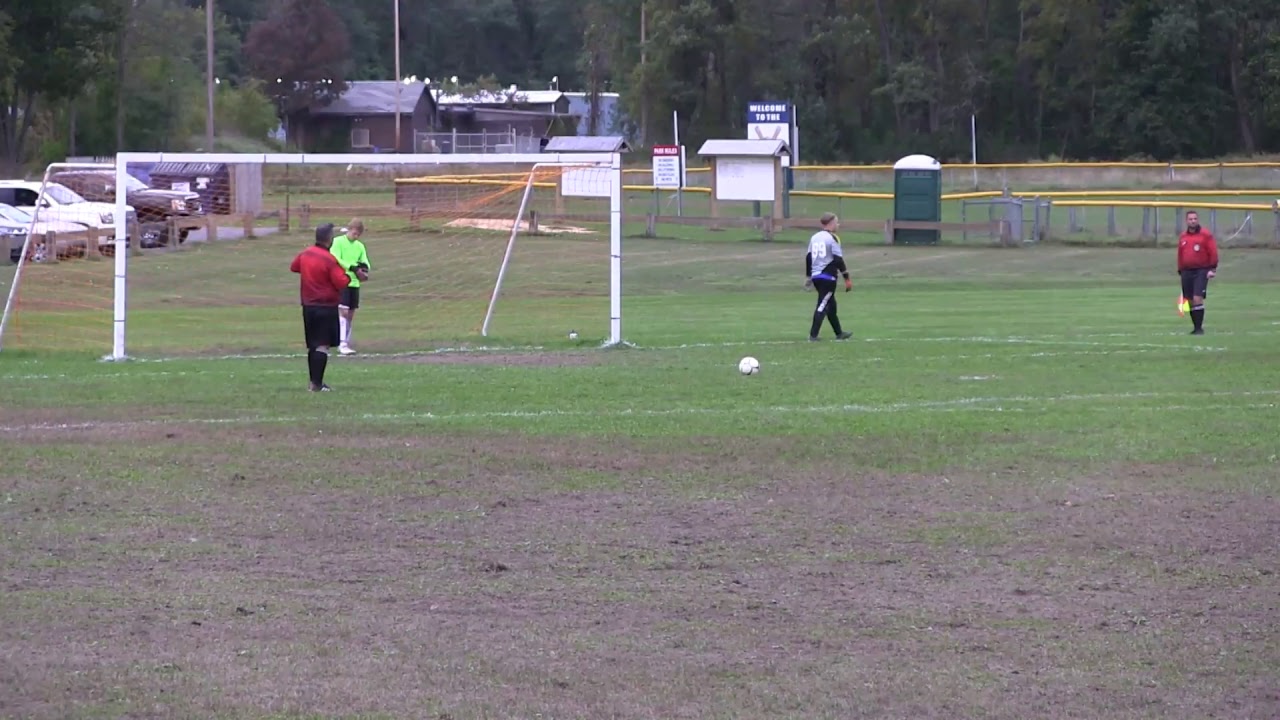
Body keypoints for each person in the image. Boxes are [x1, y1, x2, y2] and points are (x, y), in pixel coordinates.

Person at [290, 223, 351, 391]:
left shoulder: (306, 253)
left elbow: (294, 267)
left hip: (308, 305)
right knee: (323, 345)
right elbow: (341, 281)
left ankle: (313, 382)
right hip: (325, 306)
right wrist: (350, 275)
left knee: (313, 345)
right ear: (329, 239)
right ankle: (317, 384)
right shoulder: (329, 259)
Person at [804, 212, 853, 341]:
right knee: (823, 304)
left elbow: (809, 257)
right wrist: (846, 278)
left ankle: (839, 333)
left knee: (831, 306)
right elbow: (838, 259)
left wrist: (809, 276)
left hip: (816, 276)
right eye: (836, 222)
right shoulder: (833, 238)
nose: (838, 225)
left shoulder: (814, 237)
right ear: (831, 224)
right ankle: (813, 335)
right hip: (828, 277)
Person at [329, 218, 371, 355]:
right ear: (349, 230)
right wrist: (351, 267)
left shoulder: (360, 246)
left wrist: (364, 271)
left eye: (358, 234)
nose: (356, 236)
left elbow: (364, 261)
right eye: (354, 233)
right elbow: (335, 258)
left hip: (354, 283)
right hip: (342, 280)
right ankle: (341, 343)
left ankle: (346, 341)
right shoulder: (338, 242)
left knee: (351, 313)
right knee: (343, 311)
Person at [1177, 210, 1218, 335]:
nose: (1193, 221)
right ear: (1186, 221)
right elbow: (1180, 254)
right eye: (1190, 219)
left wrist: (1212, 269)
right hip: (1186, 271)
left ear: (1197, 220)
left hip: (1201, 270)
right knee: (1188, 300)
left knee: (1197, 298)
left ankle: (1199, 328)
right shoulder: (1183, 236)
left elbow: (1213, 252)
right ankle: (1195, 328)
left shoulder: (1205, 235)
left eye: (1195, 219)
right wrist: (1180, 269)